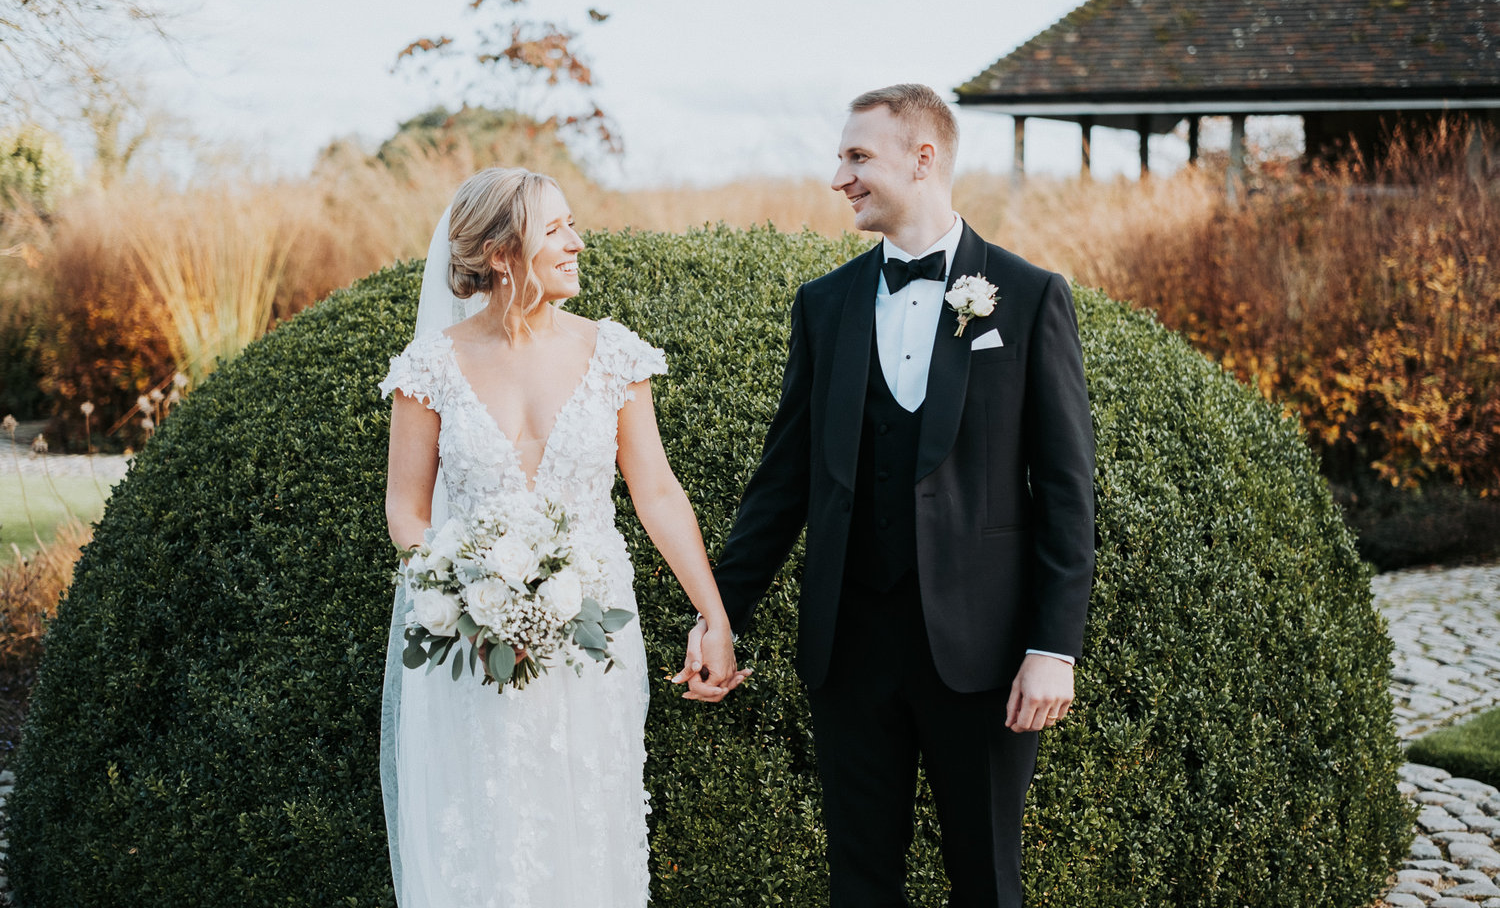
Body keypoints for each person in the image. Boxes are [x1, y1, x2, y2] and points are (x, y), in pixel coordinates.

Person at [675, 84, 1096, 907]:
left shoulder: (1031, 294)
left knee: (987, 879)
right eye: (841, 158)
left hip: (983, 653)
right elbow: (783, 482)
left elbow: (1067, 491)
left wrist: (1055, 646)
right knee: (860, 883)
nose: (840, 177)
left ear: (923, 158)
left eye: (857, 156)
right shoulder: (824, 305)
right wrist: (719, 615)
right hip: (850, 645)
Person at [380, 166, 746, 908]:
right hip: (471, 648)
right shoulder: (430, 368)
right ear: (501, 254)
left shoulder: (612, 354)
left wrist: (714, 615)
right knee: (485, 832)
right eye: (555, 230)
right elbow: (406, 511)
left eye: (572, 225)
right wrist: (467, 597)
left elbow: (659, 493)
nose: (578, 242)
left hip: (593, 644)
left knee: (586, 825)